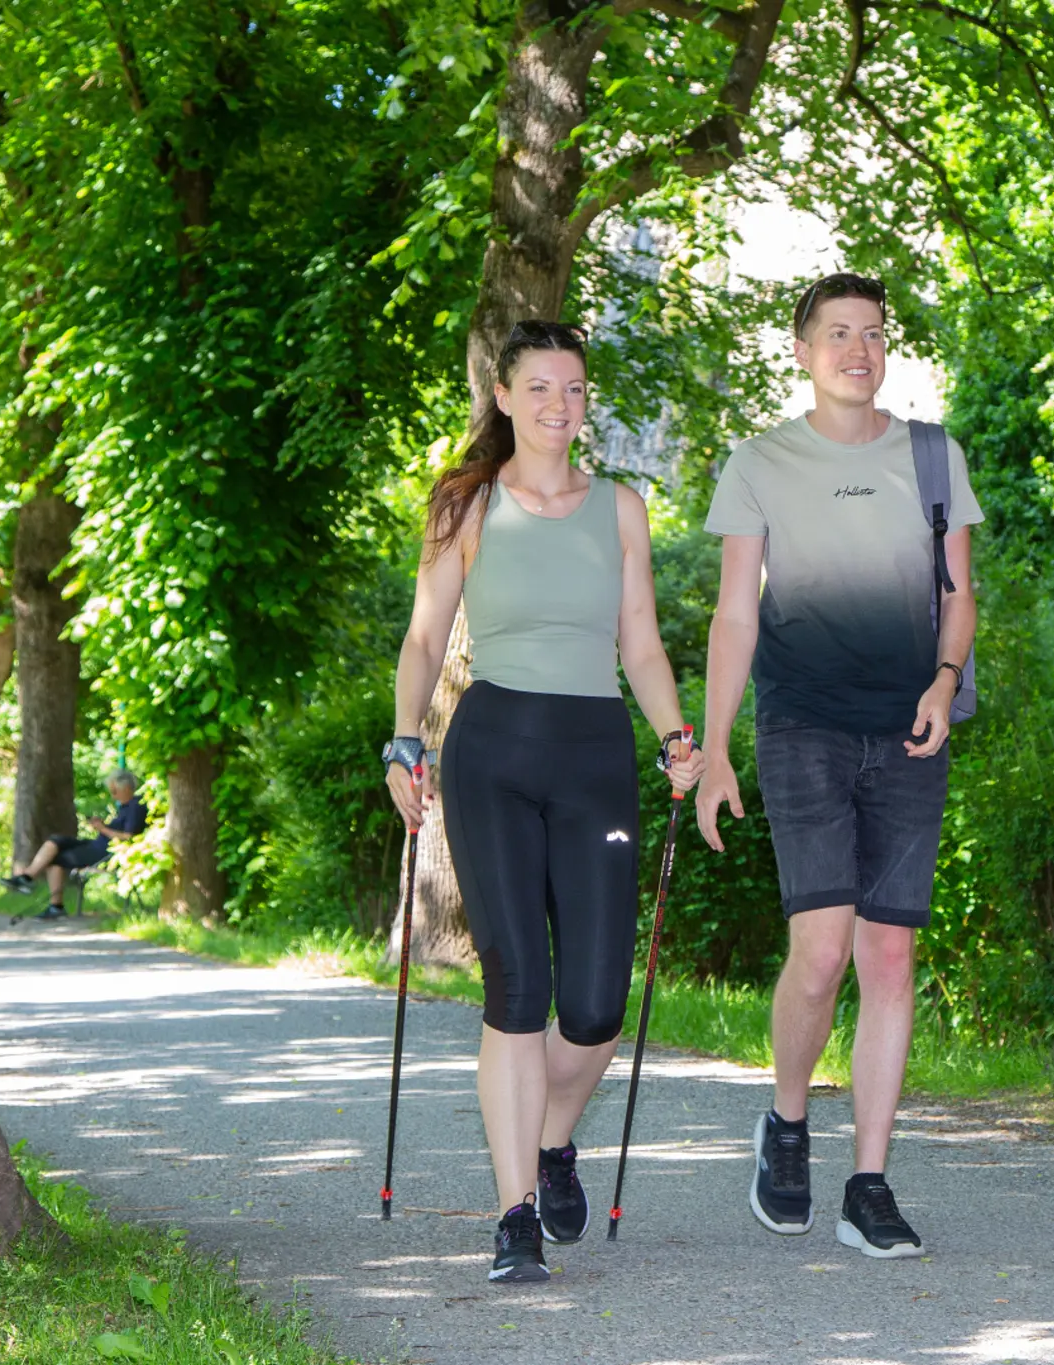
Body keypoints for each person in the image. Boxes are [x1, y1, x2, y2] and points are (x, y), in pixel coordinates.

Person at [385, 320, 704, 1284]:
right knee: (518, 990)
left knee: (598, 1004)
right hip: (492, 753)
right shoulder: (468, 503)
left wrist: (677, 736)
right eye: (539, 388)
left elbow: (641, 643)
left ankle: (553, 1141)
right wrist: (406, 740)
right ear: (506, 394)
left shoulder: (620, 508)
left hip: (595, 752)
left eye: (573, 389)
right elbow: (424, 636)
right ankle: (514, 1212)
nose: (558, 405)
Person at [695, 272, 980, 1259]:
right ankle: (783, 1120)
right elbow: (734, 613)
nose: (858, 350)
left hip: (910, 729)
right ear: (802, 351)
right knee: (818, 953)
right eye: (837, 334)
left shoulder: (933, 458)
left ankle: (868, 1181)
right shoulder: (759, 462)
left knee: (887, 953)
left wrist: (944, 683)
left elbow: (957, 595)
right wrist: (715, 744)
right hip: (802, 725)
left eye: (872, 333)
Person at [0, 769, 150, 919]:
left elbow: (128, 837)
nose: (113, 796)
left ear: (127, 789)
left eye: (115, 792)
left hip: (106, 852)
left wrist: (102, 828)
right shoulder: (125, 807)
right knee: (56, 840)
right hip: (98, 845)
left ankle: (55, 906)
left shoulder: (136, 807)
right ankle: (27, 877)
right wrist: (103, 826)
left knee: (56, 859)